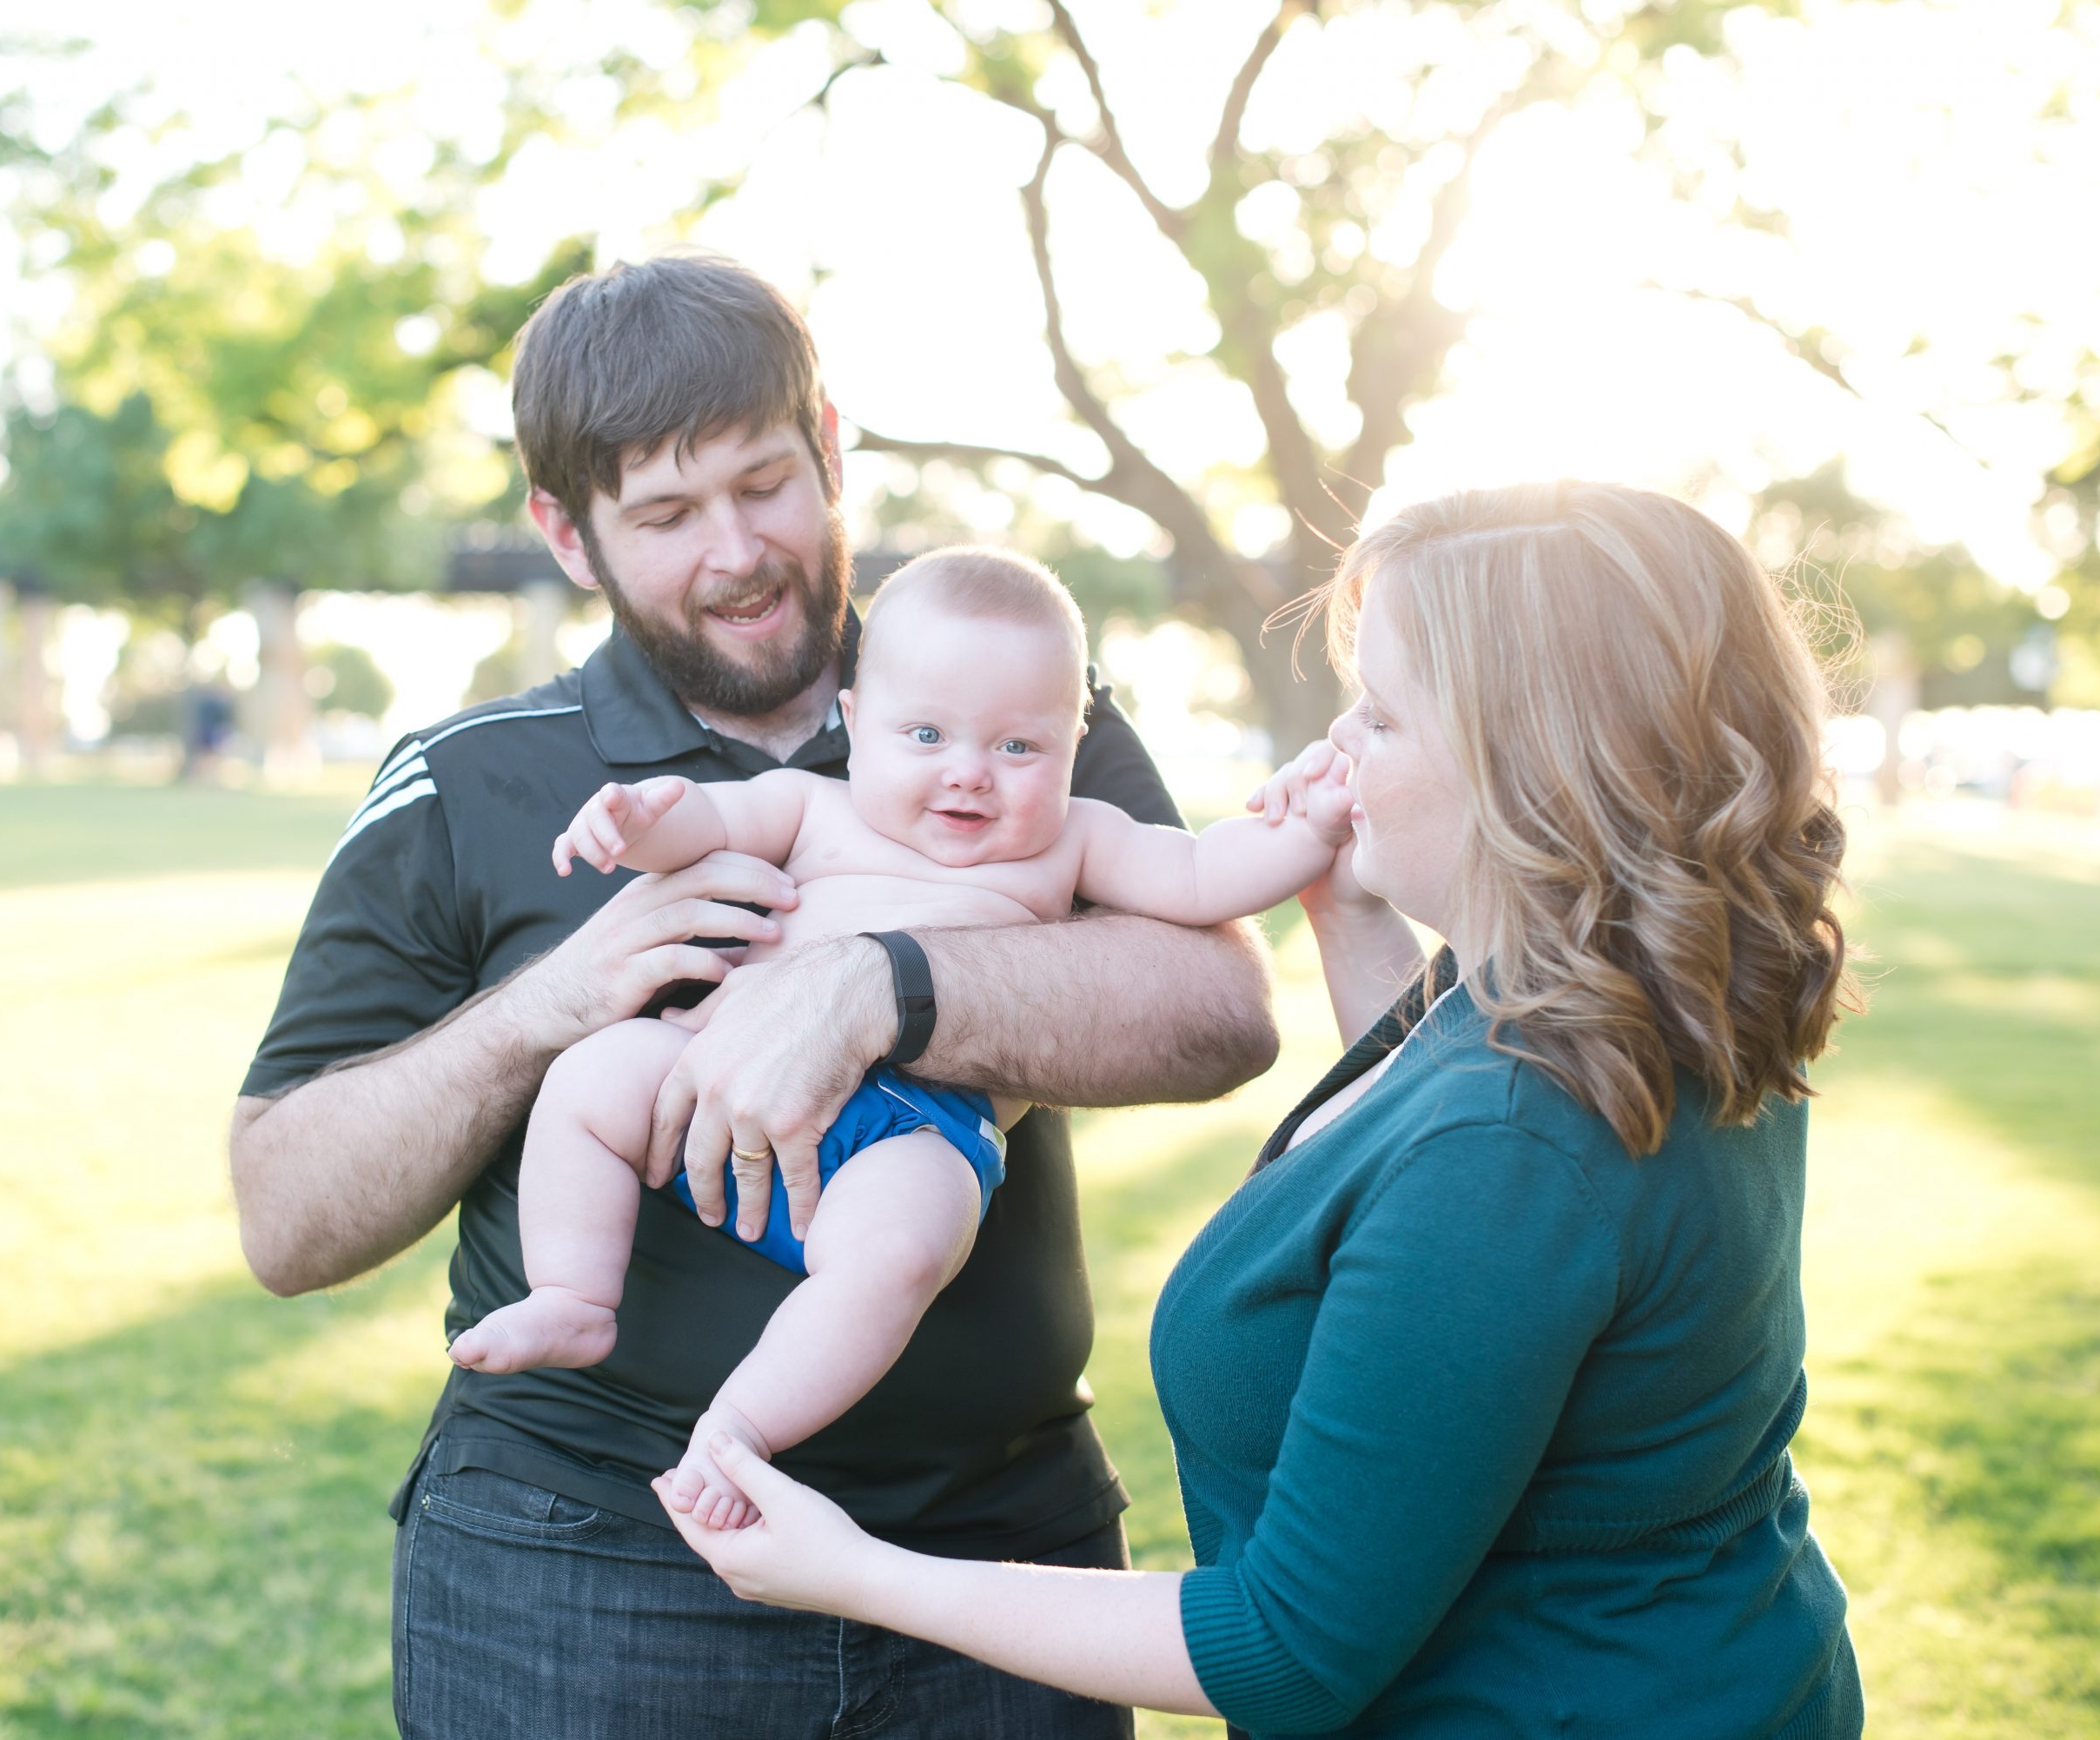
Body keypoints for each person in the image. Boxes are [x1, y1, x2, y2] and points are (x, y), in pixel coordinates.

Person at [228, 255, 1316, 1740]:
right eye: (668, 516)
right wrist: (554, 1004)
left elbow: (1217, 1012)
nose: (738, 551)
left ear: (832, 449)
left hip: (991, 1556)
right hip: (585, 1565)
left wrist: (889, 986)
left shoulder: (1005, 698)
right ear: (566, 531)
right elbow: (288, 1218)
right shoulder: (470, 776)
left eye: (765, 484)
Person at [659, 480, 1869, 1739]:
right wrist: (1344, 907)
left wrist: (856, 1572)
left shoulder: (1519, 1139)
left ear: (1534, 762)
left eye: (1385, 714)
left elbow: (1287, 1645)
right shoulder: (1630, 1001)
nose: (1341, 745)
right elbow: (1441, 1162)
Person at [454, 546, 1358, 1532]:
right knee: (591, 1080)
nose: (968, 772)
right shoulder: (813, 806)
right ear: (854, 724)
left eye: (1019, 747)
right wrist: (638, 822)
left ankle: (740, 1430)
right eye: (925, 733)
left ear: (1075, 737)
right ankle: (575, 1291)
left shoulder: (1079, 838)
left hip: (916, 1127)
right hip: (717, 1073)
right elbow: (706, 822)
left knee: (894, 1254)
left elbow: (1200, 877)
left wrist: (1304, 825)